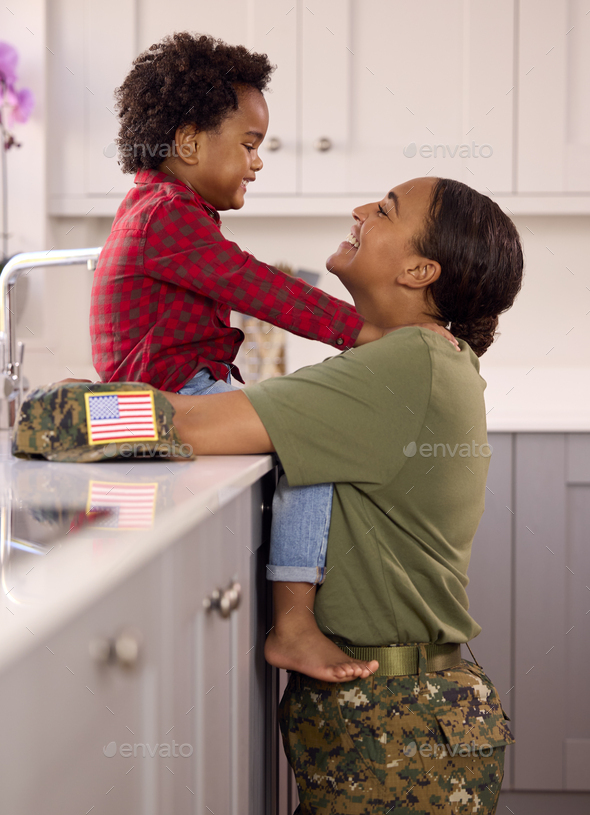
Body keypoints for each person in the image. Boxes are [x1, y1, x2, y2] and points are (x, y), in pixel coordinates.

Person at [162, 176, 523, 815]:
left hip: (396, 732)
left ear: (420, 271)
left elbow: (189, 425)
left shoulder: (406, 362)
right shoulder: (421, 360)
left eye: (384, 210)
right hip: (402, 720)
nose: (360, 210)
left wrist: (55, 412)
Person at [89, 31, 459, 683]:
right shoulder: (166, 218)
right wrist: (370, 334)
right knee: (311, 443)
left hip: (174, 386)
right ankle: (294, 625)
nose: (257, 164)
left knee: (304, 429)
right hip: (172, 391)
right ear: (188, 142)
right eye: (251, 145)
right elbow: (264, 289)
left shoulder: (161, 209)